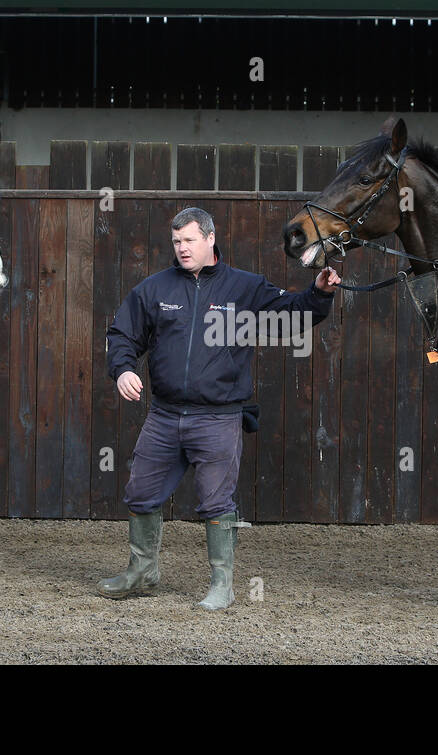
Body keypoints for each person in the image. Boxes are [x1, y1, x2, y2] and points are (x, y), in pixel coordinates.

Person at [100, 207, 340, 610]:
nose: (182, 249)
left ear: (210, 239)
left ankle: (221, 584)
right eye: (177, 242)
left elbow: (291, 314)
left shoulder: (244, 288)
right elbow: (122, 334)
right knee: (140, 493)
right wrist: (122, 369)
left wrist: (319, 293)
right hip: (163, 416)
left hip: (218, 418)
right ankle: (142, 571)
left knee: (215, 501)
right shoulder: (153, 290)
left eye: (189, 240)